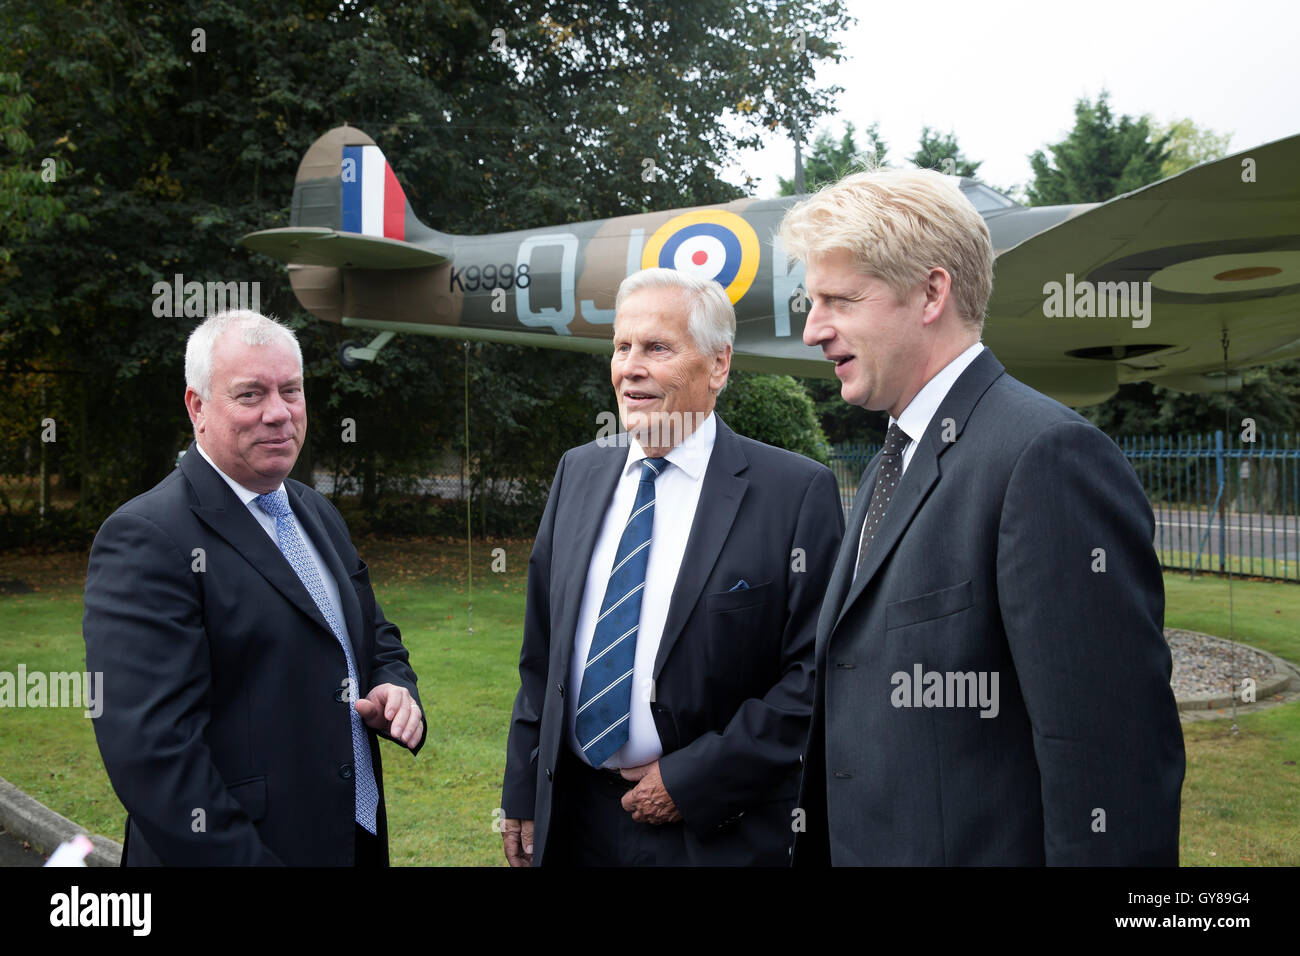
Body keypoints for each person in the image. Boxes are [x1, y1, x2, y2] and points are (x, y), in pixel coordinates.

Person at [779, 168, 1185, 865]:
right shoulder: (890, 463)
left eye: (839, 299)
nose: (813, 328)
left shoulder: (1048, 457)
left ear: (931, 293)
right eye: (812, 301)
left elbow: (1111, 764)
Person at [500, 268, 844, 866]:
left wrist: (693, 781)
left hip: (712, 832)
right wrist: (524, 785)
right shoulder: (578, 472)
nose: (630, 368)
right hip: (575, 817)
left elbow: (815, 678)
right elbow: (542, 654)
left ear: (719, 364)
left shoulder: (794, 493)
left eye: (657, 348)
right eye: (622, 347)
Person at [83, 309, 425, 866]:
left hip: (350, 838)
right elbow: (154, 756)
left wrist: (393, 686)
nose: (279, 413)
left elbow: (372, 635)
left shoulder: (314, 510)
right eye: (250, 394)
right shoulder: (146, 537)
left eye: (291, 390)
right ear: (197, 407)